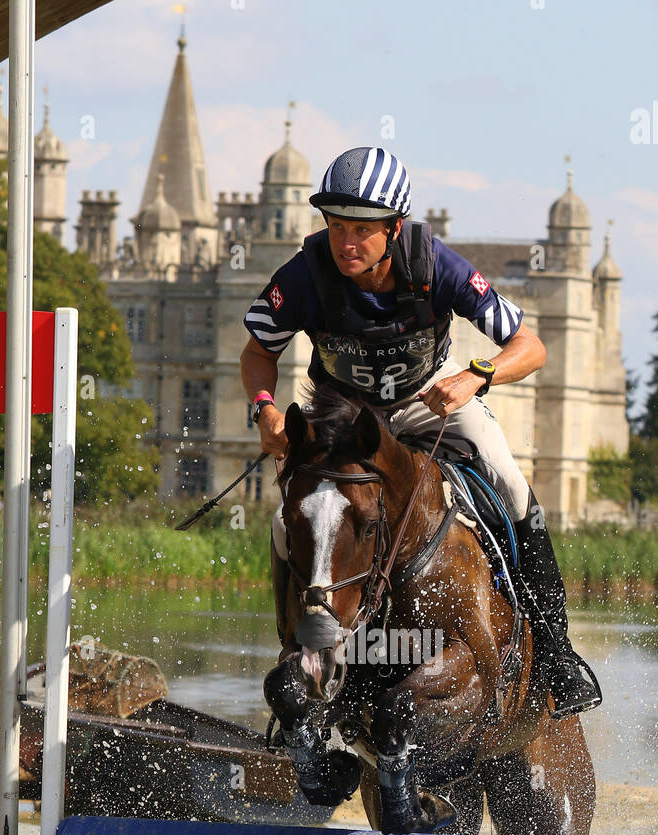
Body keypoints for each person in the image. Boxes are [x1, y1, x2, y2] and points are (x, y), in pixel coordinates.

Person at [240, 146, 600, 717]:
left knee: (510, 483)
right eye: (336, 226)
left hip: (428, 405)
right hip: (345, 419)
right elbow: (259, 351)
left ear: (395, 228)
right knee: (288, 526)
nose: (345, 242)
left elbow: (530, 348)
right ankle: (299, 657)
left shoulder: (438, 266)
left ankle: (556, 652)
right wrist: (265, 409)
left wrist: (477, 375)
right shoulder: (303, 276)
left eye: (361, 229)